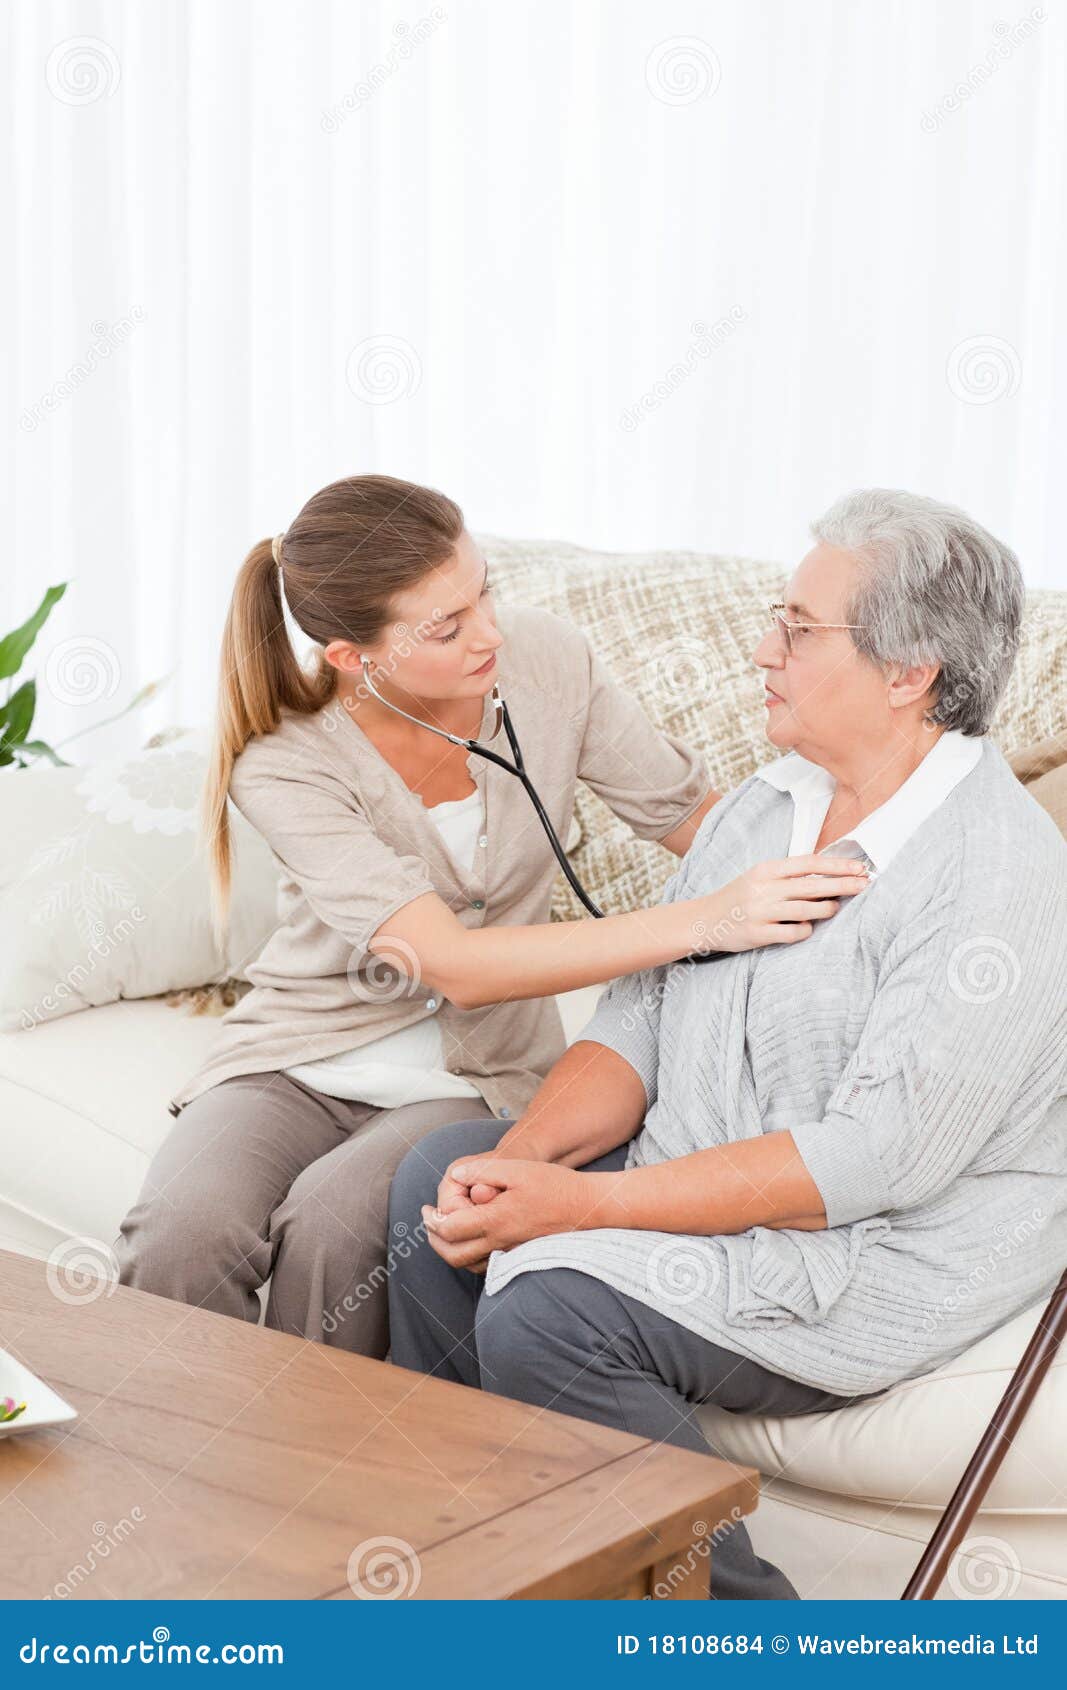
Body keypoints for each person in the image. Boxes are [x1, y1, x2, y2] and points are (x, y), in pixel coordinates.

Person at [388, 487, 1067, 1600]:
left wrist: (579, 1207)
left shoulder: (995, 883)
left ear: (910, 672)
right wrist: (532, 1162)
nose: (763, 649)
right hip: (722, 1171)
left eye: (797, 630)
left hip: (871, 1252)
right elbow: (640, 1018)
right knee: (438, 1185)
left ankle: (747, 1630)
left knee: (548, 1316)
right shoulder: (772, 801)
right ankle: (495, 1582)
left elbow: (867, 1163)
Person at [114, 473, 864, 1356]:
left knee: (333, 1228)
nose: (491, 633)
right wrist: (708, 919)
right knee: (180, 1231)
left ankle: (306, 1481)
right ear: (354, 656)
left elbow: (687, 816)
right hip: (299, 1055)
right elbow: (449, 961)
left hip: (481, 1073)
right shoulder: (286, 761)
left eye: (484, 592)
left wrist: (845, 875)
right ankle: (179, 1477)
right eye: (447, 626)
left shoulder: (547, 663)